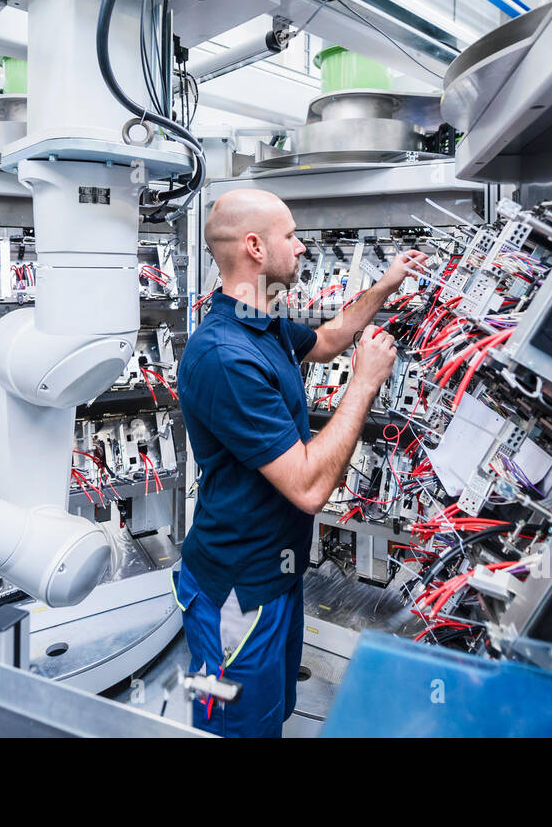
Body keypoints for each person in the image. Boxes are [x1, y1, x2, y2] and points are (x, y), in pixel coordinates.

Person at [174, 187, 427, 736]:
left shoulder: (259, 324)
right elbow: (310, 487)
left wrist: (386, 285)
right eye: (290, 235)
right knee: (233, 727)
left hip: (277, 574)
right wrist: (363, 385)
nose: (303, 247)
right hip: (237, 589)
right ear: (255, 249)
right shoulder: (226, 356)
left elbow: (333, 338)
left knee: (270, 714)